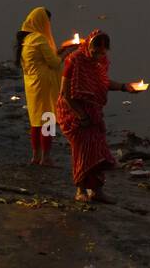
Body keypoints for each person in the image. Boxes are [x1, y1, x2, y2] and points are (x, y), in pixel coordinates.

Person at [56, 30, 145, 203]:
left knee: (97, 151)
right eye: (96, 51)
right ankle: (80, 190)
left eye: (103, 51)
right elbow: (65, 94)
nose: (99, 55)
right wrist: (80, 116)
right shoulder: (74, 60)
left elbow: (103, 83)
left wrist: (125, 87)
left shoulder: (101, 62)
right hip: (72, 111)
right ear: (89, 46)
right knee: (82, 151)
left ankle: (97, 191)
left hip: (93, 111)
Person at [15, 6, 77, 166]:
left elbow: (44, 58)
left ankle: (35, 156)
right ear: (42, 21)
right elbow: (54, 62)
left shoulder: (27, 40)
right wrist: (68, 52)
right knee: (48, 120)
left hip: (32, 84)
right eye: (47, 21)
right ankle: (46, 157)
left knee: (36, 121)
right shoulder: (40, 39)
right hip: (45, 84)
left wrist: (61, 49)